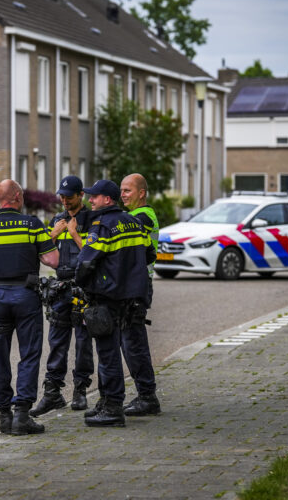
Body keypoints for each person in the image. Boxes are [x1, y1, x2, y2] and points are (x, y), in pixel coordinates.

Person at [0, 179, 59, 436]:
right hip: (26, 295)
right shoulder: (32, 224)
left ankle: (4, 414)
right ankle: (22, 414)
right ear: (17, 196)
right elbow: (52, 259)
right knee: (29, 353)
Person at [74, 179, 150, 427]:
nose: (89, 201)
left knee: (108, 354)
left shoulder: (102, 224)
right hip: (132, 298)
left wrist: (82, 283)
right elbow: (150, 254)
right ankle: (108, 402)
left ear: (107, 199)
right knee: (123, 348)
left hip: (107, 296)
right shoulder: (133, 221)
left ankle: (113, 407)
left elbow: (86, 262)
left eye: (93, 197)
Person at [30, 175, 94, 417]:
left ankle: (80, 390)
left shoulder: (91, 219)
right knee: (56, 342)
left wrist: (75, 233)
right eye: (62, 197)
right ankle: (52, 393)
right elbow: (42, 251)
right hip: (60, 288)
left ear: (81, 196)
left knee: (83, 342)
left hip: (84, 288)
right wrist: (53, 234)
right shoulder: (57, 219)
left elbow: (93, 253)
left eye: (69, 197)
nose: (65, 201)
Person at [119, 173, 161, 416]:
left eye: (128, 190)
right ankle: (144, 394)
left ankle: (148, 396)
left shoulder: (144, 217)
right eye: (122, 190)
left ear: (141, 193)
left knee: (134, 343)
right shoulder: (132, 216)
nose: (123, 195)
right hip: (131, 286)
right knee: (128, 342)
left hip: (137, 286)